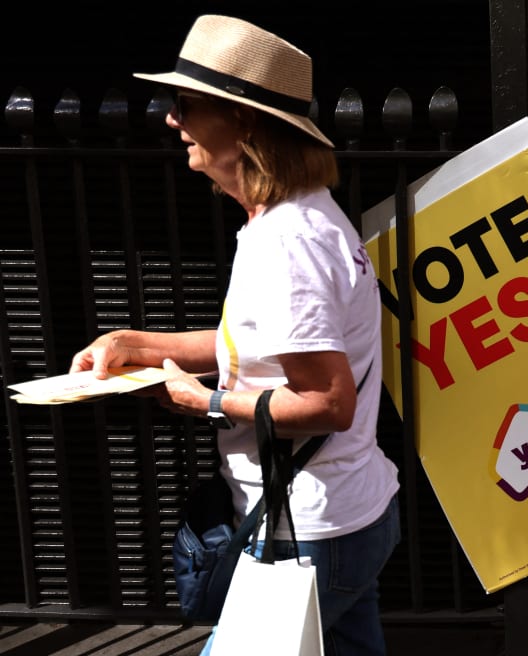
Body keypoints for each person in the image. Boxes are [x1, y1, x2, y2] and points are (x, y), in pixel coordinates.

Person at [67, 14, 401, 656]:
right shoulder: (298, 218)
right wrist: (137, 344)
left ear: (244, 123)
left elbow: (329, 404)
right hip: (345, 517)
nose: (172, 119)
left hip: (308, 530)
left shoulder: (286, 243)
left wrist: (206, 402)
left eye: (186, 105)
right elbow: (266, 344)